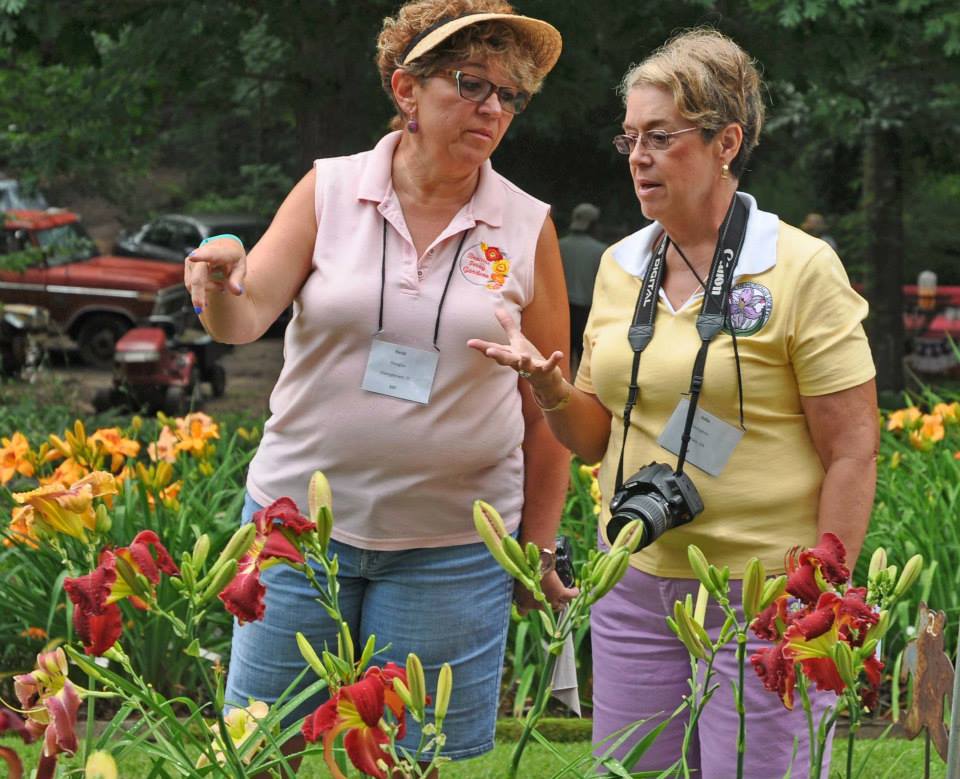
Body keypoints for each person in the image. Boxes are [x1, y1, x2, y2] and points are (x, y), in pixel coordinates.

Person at [469, 29, 878, 778]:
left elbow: (853, 447)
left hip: (765, 592)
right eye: (630, 137)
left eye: (661, 136)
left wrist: (820, 598)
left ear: (726, 141)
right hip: (635, 581)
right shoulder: (625, 266)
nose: (638, 155)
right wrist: (551, 388)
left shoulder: (800, 268)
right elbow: (594, 438)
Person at [184, 0, 575, 769]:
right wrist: (220, 278)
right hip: (296, 532)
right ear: (406, 90)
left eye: (510, 95)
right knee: (263, 751)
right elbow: (241, 315)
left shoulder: (526, 225)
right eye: (471, 84)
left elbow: (550, 403)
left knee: (411, 759)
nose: (492, 108)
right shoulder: (330, 189)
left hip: (453, 546)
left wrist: (537, 542)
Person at [559, 202, 606, 370]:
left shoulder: (558, 246)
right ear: (593, 224)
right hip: (587, 312)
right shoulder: (601, 251)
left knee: (560, 358)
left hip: (560, 310)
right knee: (584, 362)